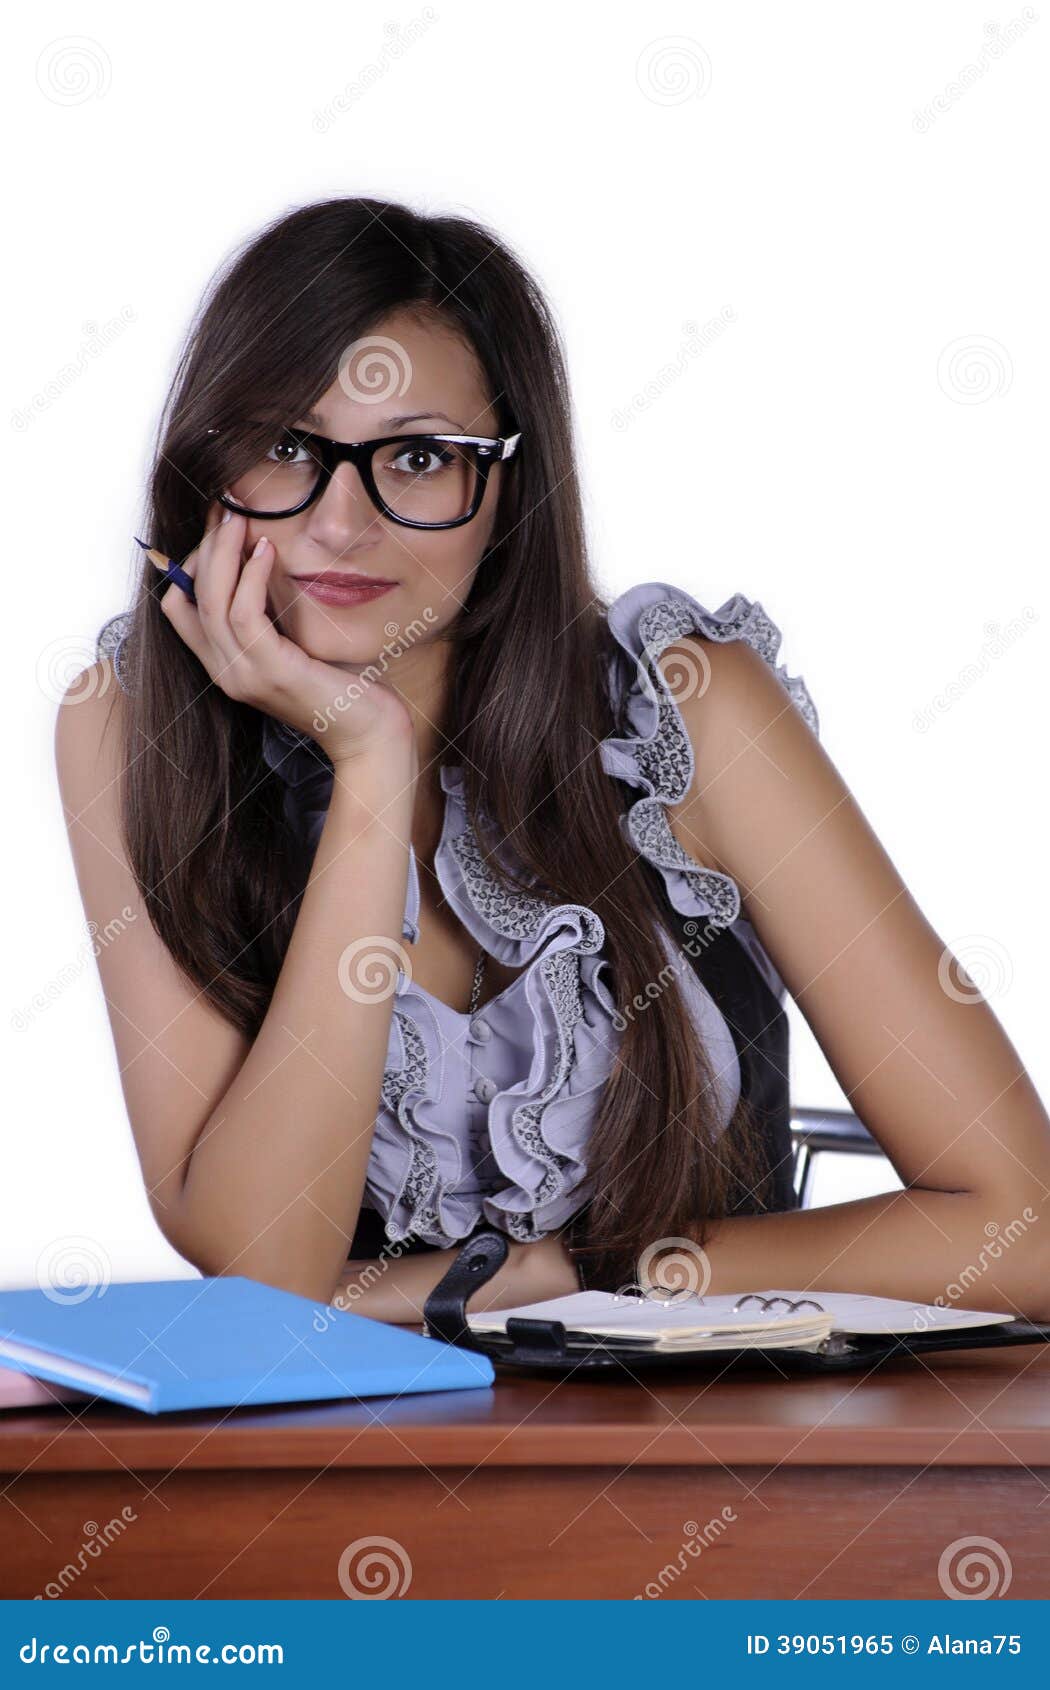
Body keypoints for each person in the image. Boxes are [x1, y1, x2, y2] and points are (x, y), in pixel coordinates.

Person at [55, 196, 1050, 1326]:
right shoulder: (129, 722)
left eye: (420, 457)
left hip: (728, 1465)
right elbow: (269, 1279)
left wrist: (565, 1276)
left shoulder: (685, 714)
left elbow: (1025, 1224)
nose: (339, 522)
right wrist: (372, 765)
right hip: (346, 1479)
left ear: (509, 497)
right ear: (209, 465)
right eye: (287, 447)